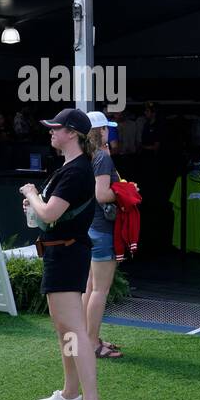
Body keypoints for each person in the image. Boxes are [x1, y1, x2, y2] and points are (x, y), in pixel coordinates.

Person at [21, 108, 106, 400]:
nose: (51, 132)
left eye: (55, 128)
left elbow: (51, 212)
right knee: (64, 328)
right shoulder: (71, 168)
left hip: (67, 253)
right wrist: (35, 204)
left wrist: (31, 194)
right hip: (61, 252)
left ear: (71, 132)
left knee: (73, 329)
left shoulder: (77, 171)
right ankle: (72, 393)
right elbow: (48, 213)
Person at [84, 111, 122, 359]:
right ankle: (92, 344)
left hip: (91, 228)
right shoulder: (102, 159)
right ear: (102, 131)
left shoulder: (88, 156)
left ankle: (89, 339)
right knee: (100, 290)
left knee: (90, 288)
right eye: (107, 128)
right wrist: (126, 191)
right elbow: (102, 194)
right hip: (102, 230)